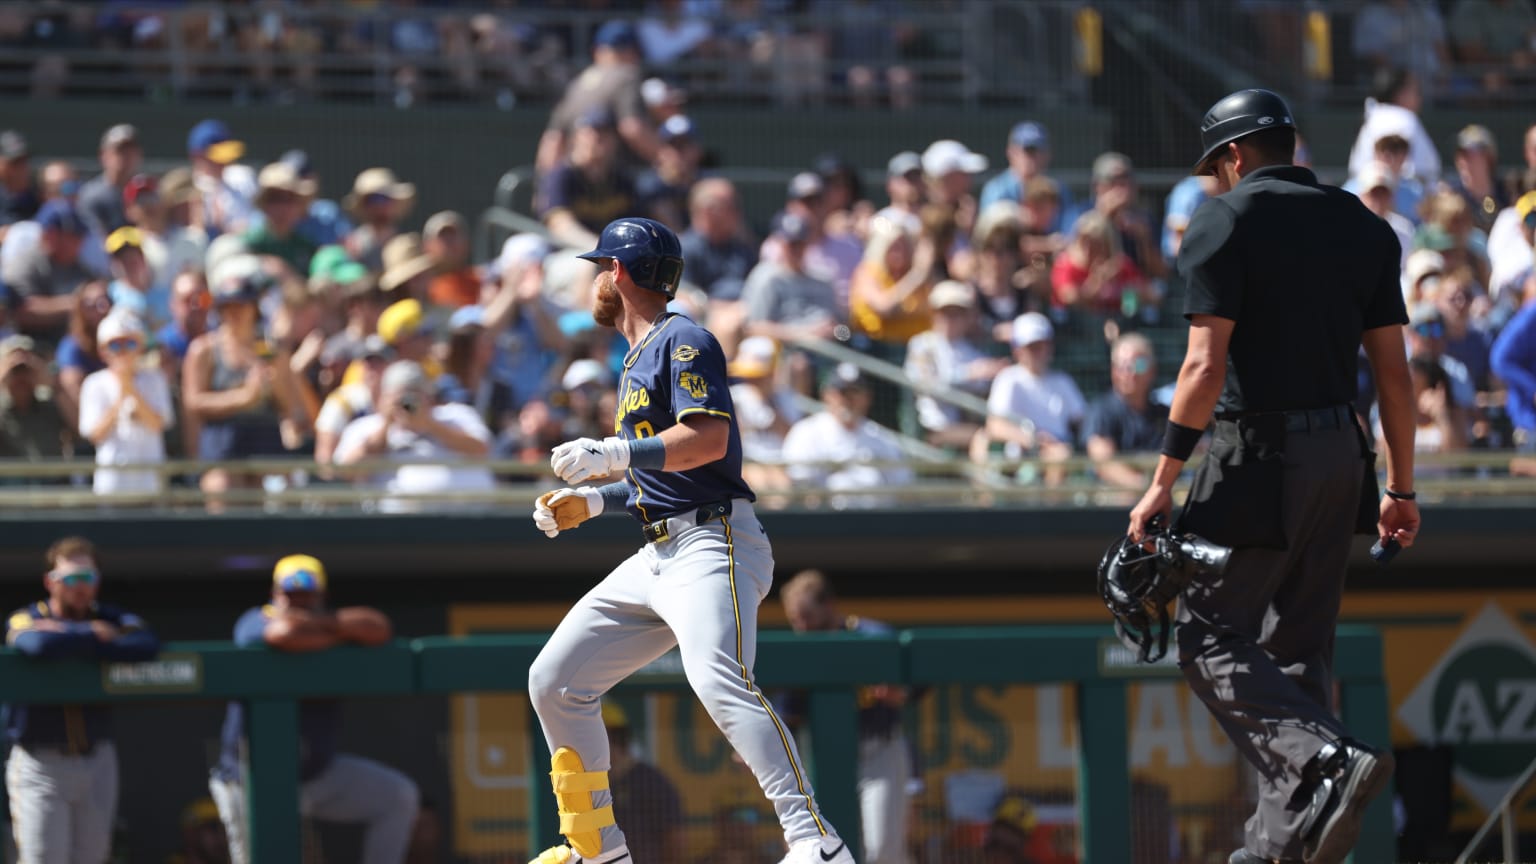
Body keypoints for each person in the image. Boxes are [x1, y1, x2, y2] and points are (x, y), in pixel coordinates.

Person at [1126, 88, 1420, 864]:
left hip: (1258, 457)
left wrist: (1161, 480)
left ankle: (1324, 755)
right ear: (1286, 144)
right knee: (1297, 656)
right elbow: (1395, 375)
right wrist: (1403, 487)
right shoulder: (1364, 223)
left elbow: (1202, 364)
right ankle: (1275, 850)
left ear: (1231, 156)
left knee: (1207, 637)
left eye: (1214, 167)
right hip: (1342, 461)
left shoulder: (1224, 218)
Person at [527, 217, 856, 864]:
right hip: (659, 551)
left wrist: (616, 453)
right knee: (555, 680)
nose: (596, 277)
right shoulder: (636, 352)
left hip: (714, 542)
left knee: (717, 677)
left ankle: (815, 840)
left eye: (602, 266)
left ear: (618, 274)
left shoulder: (683, 338)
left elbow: (706, 441)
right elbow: (667, 476)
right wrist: (596, 499)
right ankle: (598, 850)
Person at [209, 554, 420, 864]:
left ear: (321, 595)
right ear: (274, 594)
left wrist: (323, 624)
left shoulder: (329, 621)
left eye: (306, 594)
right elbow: (283, 634)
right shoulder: (254, 618)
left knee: (398, 796)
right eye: (289, 594)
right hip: (251, 780)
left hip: (315, 776)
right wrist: (337, 634)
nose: (297, 601)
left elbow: (378, 627)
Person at [5, 536, 159, 864]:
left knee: (93, 857)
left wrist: (69, 634)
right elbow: (35, 645)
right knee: (43, 858)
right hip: (41, 762)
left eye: (88, 579)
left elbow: (146, 643)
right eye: (71, 579)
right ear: (51, 582)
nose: (81, 588)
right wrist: (94, 635)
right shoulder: (27, 616)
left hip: (97, 758)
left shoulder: (110, 615)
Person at [778, 570, 911, 864]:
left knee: (881, 851)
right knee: (819, 851)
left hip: (878, 751)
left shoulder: (872, 637)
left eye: (806, 616)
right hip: (823, 758)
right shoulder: (801, 651)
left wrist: (900, 692)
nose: (801, 626)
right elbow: (787, 713)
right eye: (794, 620)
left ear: (828, 605)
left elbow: (917, 683)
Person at [333, 360, 494, 512]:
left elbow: (482, 449)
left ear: (429, 396)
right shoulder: (366, 427)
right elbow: (343, 471)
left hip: (467, 519)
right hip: (395, 526)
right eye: (399, 396)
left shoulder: (456, 415)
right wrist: (386, 427)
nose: (407, 404)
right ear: (383, 398)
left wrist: (429, 424)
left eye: (414, 395)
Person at [78, 312, 173, 497]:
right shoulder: (94, 383)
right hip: (112, 485)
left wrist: (131, 389)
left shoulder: (155, 379)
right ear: (102, 351)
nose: (122, 351)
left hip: (151, 482)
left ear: (140, 346)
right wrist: (122, 394)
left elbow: (157, 424)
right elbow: (95, 434)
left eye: (130, 343)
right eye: (115, 345)